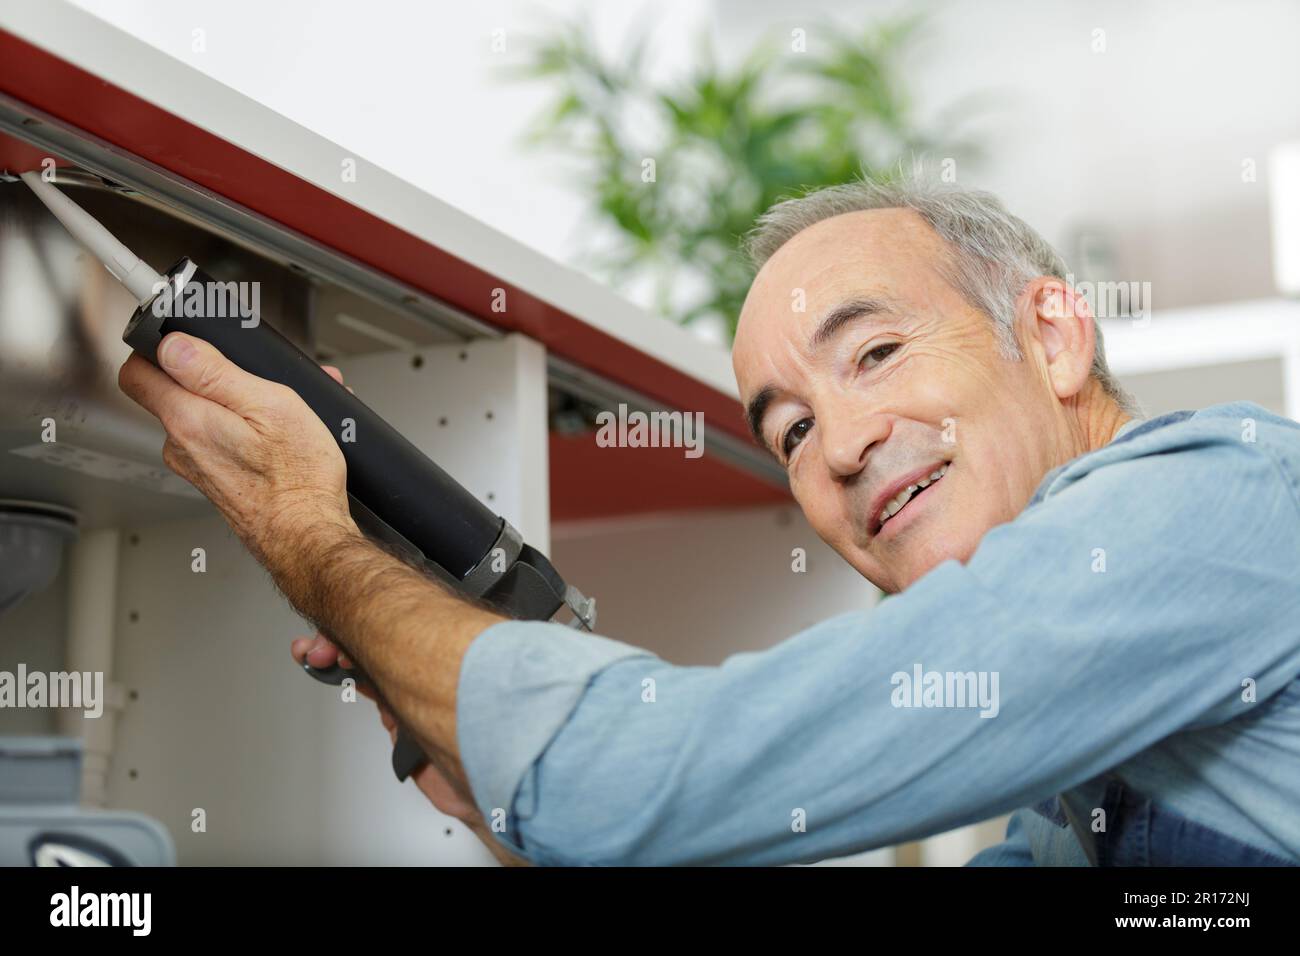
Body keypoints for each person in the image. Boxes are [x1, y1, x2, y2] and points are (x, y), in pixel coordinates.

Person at [119, 172, 1300, 866]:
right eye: (787, 429)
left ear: (1050, 334)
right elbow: (653, 797)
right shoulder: (1072, 794)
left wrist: (311, 538)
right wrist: (511, 801)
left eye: (877, 351)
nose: (837, 448)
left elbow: (658, 769)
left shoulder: (1213, 502)